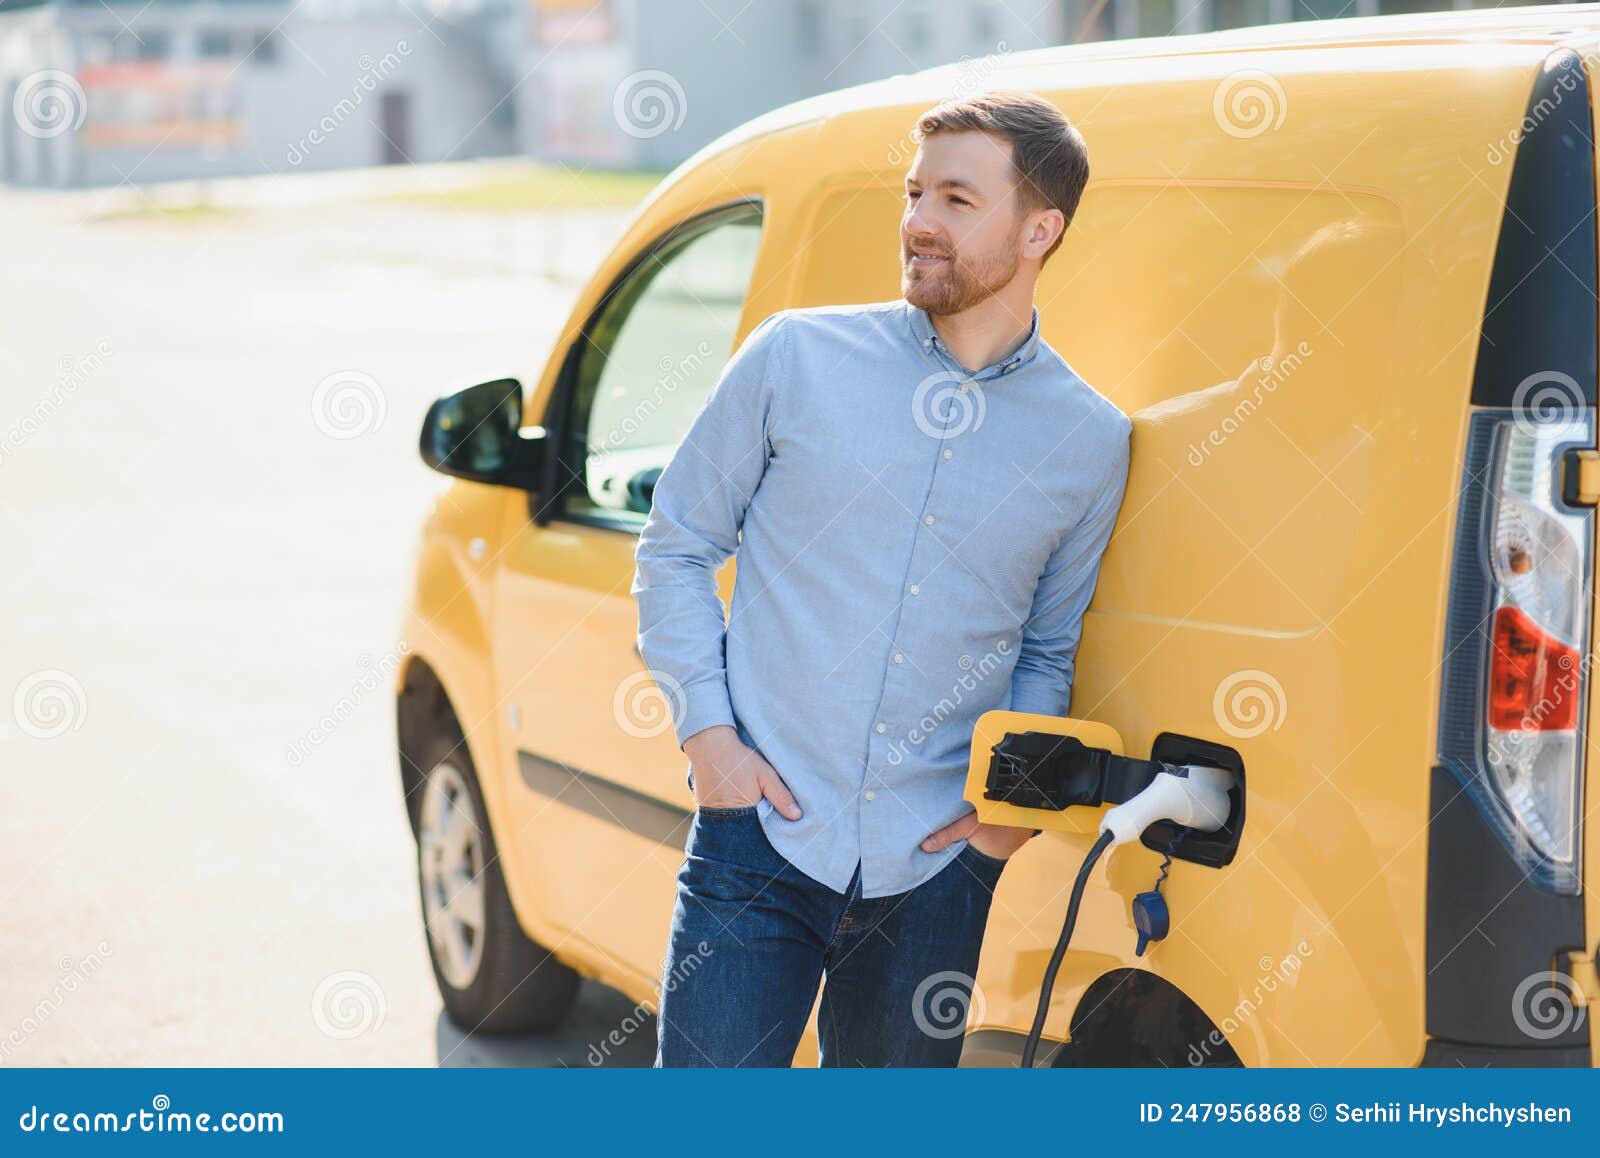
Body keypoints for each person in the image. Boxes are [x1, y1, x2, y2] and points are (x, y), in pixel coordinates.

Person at [633, 91, 1132, 1067]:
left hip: (938, 876)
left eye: (954, 198)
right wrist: (708, 739)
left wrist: (1000, 823)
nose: (916, 222)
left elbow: (1045, 643)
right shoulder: (795, 359)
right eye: (913, 193)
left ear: (1041, 229)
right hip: (757, 846)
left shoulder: (1089, 439)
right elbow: (677, 543)